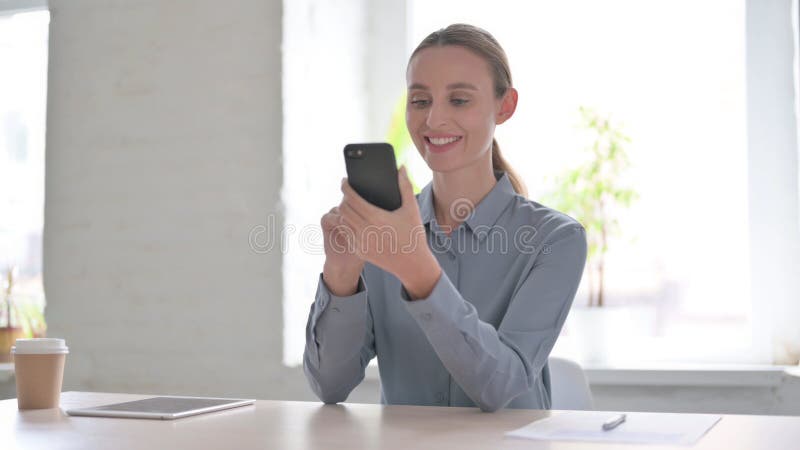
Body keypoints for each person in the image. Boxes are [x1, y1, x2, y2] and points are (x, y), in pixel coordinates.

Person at [303, 23, 587, 412]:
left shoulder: (556, 239)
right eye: (420, 101)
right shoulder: (382, 232)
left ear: (505, 106)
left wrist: (419, 272)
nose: (434, 120)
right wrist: (341, 275)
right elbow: (329, 385)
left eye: (459, 100)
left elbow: (500, 387)